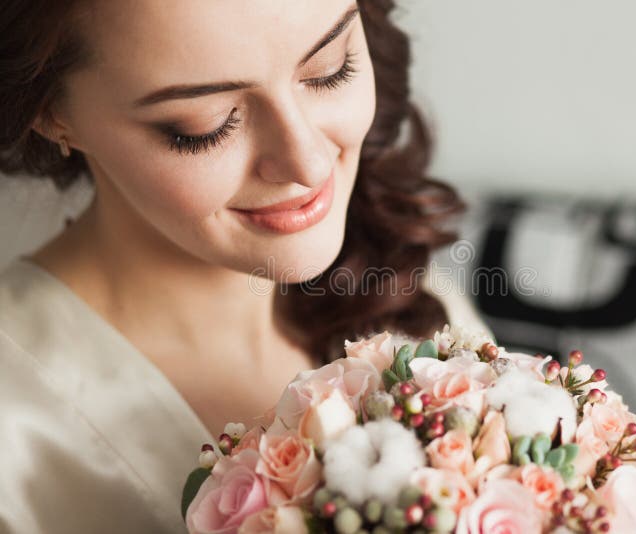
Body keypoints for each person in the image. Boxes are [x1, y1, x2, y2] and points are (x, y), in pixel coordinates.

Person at [0, 1, 490, 532]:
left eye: (331, 69)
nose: (308, 164)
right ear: (51, 113)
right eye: (205, 127)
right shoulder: (17, 428)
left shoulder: (398, 283)